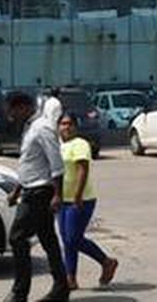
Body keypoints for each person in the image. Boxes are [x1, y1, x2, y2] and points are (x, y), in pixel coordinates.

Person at [3, 92, 69, 302]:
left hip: (40, 192)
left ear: (22, 107)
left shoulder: (42, 128)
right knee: (48, 239)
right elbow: (29, 164)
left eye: (12, 111)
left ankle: (20, 292)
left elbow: (56, 163)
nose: (10, 116)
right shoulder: (29, 127)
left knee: (17, 238)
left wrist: (58, 194)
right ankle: (61, 288)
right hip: (30, 190)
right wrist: (16, 191)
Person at [57, 114, 119, 291]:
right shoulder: (59, 146)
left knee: (73, 238)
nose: (66, 127)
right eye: (62, 124)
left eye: (69, 124)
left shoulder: (80, 144)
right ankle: (71, 278)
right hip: (62, 200)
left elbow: (83, 169)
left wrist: (77, 195)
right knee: (67, 241)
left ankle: (106, 261)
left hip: (81, 199)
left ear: (75, 127)